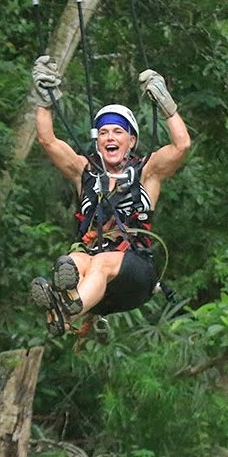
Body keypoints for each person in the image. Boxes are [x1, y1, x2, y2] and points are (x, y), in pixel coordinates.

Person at [26, 54, 192, 337]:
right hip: (95, 273)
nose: (110, 138)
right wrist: (43, 100)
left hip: (135, 273)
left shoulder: (146, 172)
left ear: (131, 141)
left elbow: (181, 146)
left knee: (100, 262)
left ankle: (66, 311)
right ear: (97, 140)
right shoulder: (85, 171)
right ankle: (64, 314)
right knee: (73, 261)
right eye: (103, 132)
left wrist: (167, 106)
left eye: (118, 132)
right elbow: (48, 140)